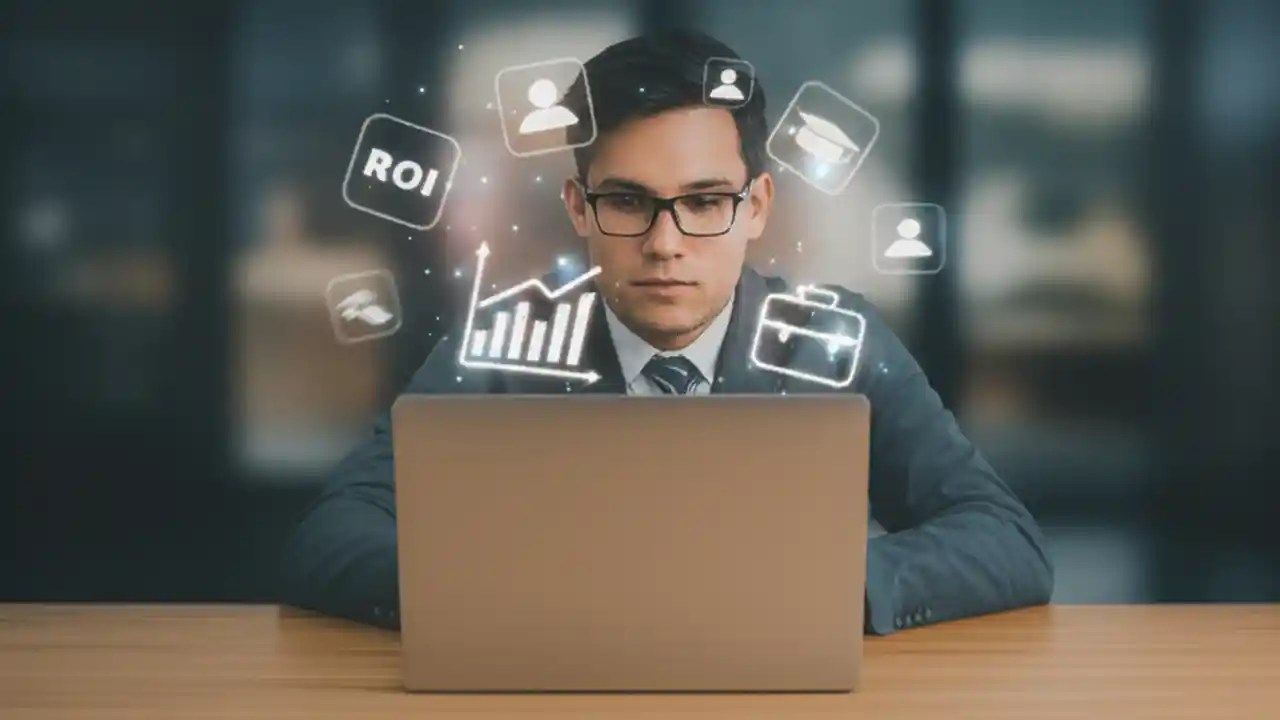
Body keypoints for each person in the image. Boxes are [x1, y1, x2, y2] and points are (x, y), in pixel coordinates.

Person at [281, 30, 1054, 636]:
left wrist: (818, 588)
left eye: (704, 201)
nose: (665, 242)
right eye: (626, 201)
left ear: (756, 208)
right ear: (579, 208)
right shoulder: (509, 338)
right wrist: (508, 590)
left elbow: (1003, 540)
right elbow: (331, 539)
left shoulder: (831, 339)